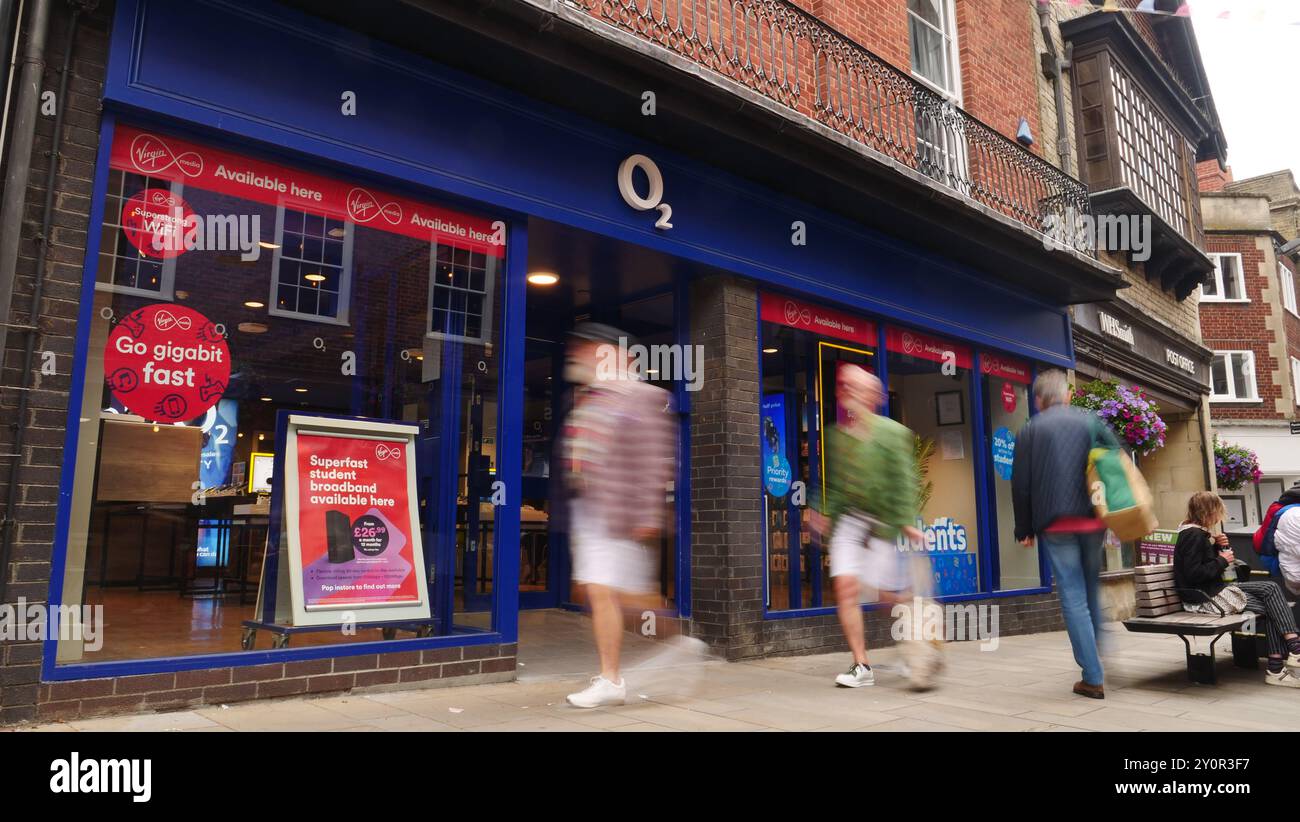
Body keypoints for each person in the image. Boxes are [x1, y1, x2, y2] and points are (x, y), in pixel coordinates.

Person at [559, 322, 675, 709]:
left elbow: (653, 459)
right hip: (591, 511)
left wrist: (646, 513)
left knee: (610, 593)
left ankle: (621, 673)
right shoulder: (591, 398)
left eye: (590, 349)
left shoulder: (642, 397)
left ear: (618, 355)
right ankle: (622, 670)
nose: (582, 356)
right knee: (602, 592)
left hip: (620, 513)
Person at [809, 364, 934, 690]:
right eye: (843, 385)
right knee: (846, 589)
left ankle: (917, 643)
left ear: (872, 396)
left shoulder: (894, 434)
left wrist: (907, 521)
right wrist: (824, 512)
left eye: (854, 386)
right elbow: (836, 487)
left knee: (886, 597)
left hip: (880, 526)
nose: (847, 390)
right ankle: (861, 664)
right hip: (850, 524)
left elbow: (904, 480)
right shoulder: (836, 437)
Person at [1011, 369, 1117, 699]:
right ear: (1068, 395)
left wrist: (1024, 529)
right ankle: (1102, 648)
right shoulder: (1091, 421)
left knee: (1072, 594)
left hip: (1055, 524)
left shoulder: (1030, 430)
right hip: (1092, 518)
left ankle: (1093, 676)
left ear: (1039, 401)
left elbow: (1022, 486)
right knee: (1090, 586)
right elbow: (1117, 459)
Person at [1174, 492, 1300, 687]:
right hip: (1205, 598)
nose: (1220, 516)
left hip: (1214, 591)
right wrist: (1222, 560)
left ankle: (1287, 656)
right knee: (1272, 600)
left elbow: (1200, 566)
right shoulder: (1193, 535)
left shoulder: (1196, 533)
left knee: (1271, 591)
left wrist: (1217, 548)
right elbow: (1194, 574)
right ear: (1210, 511)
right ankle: (1284, 660)